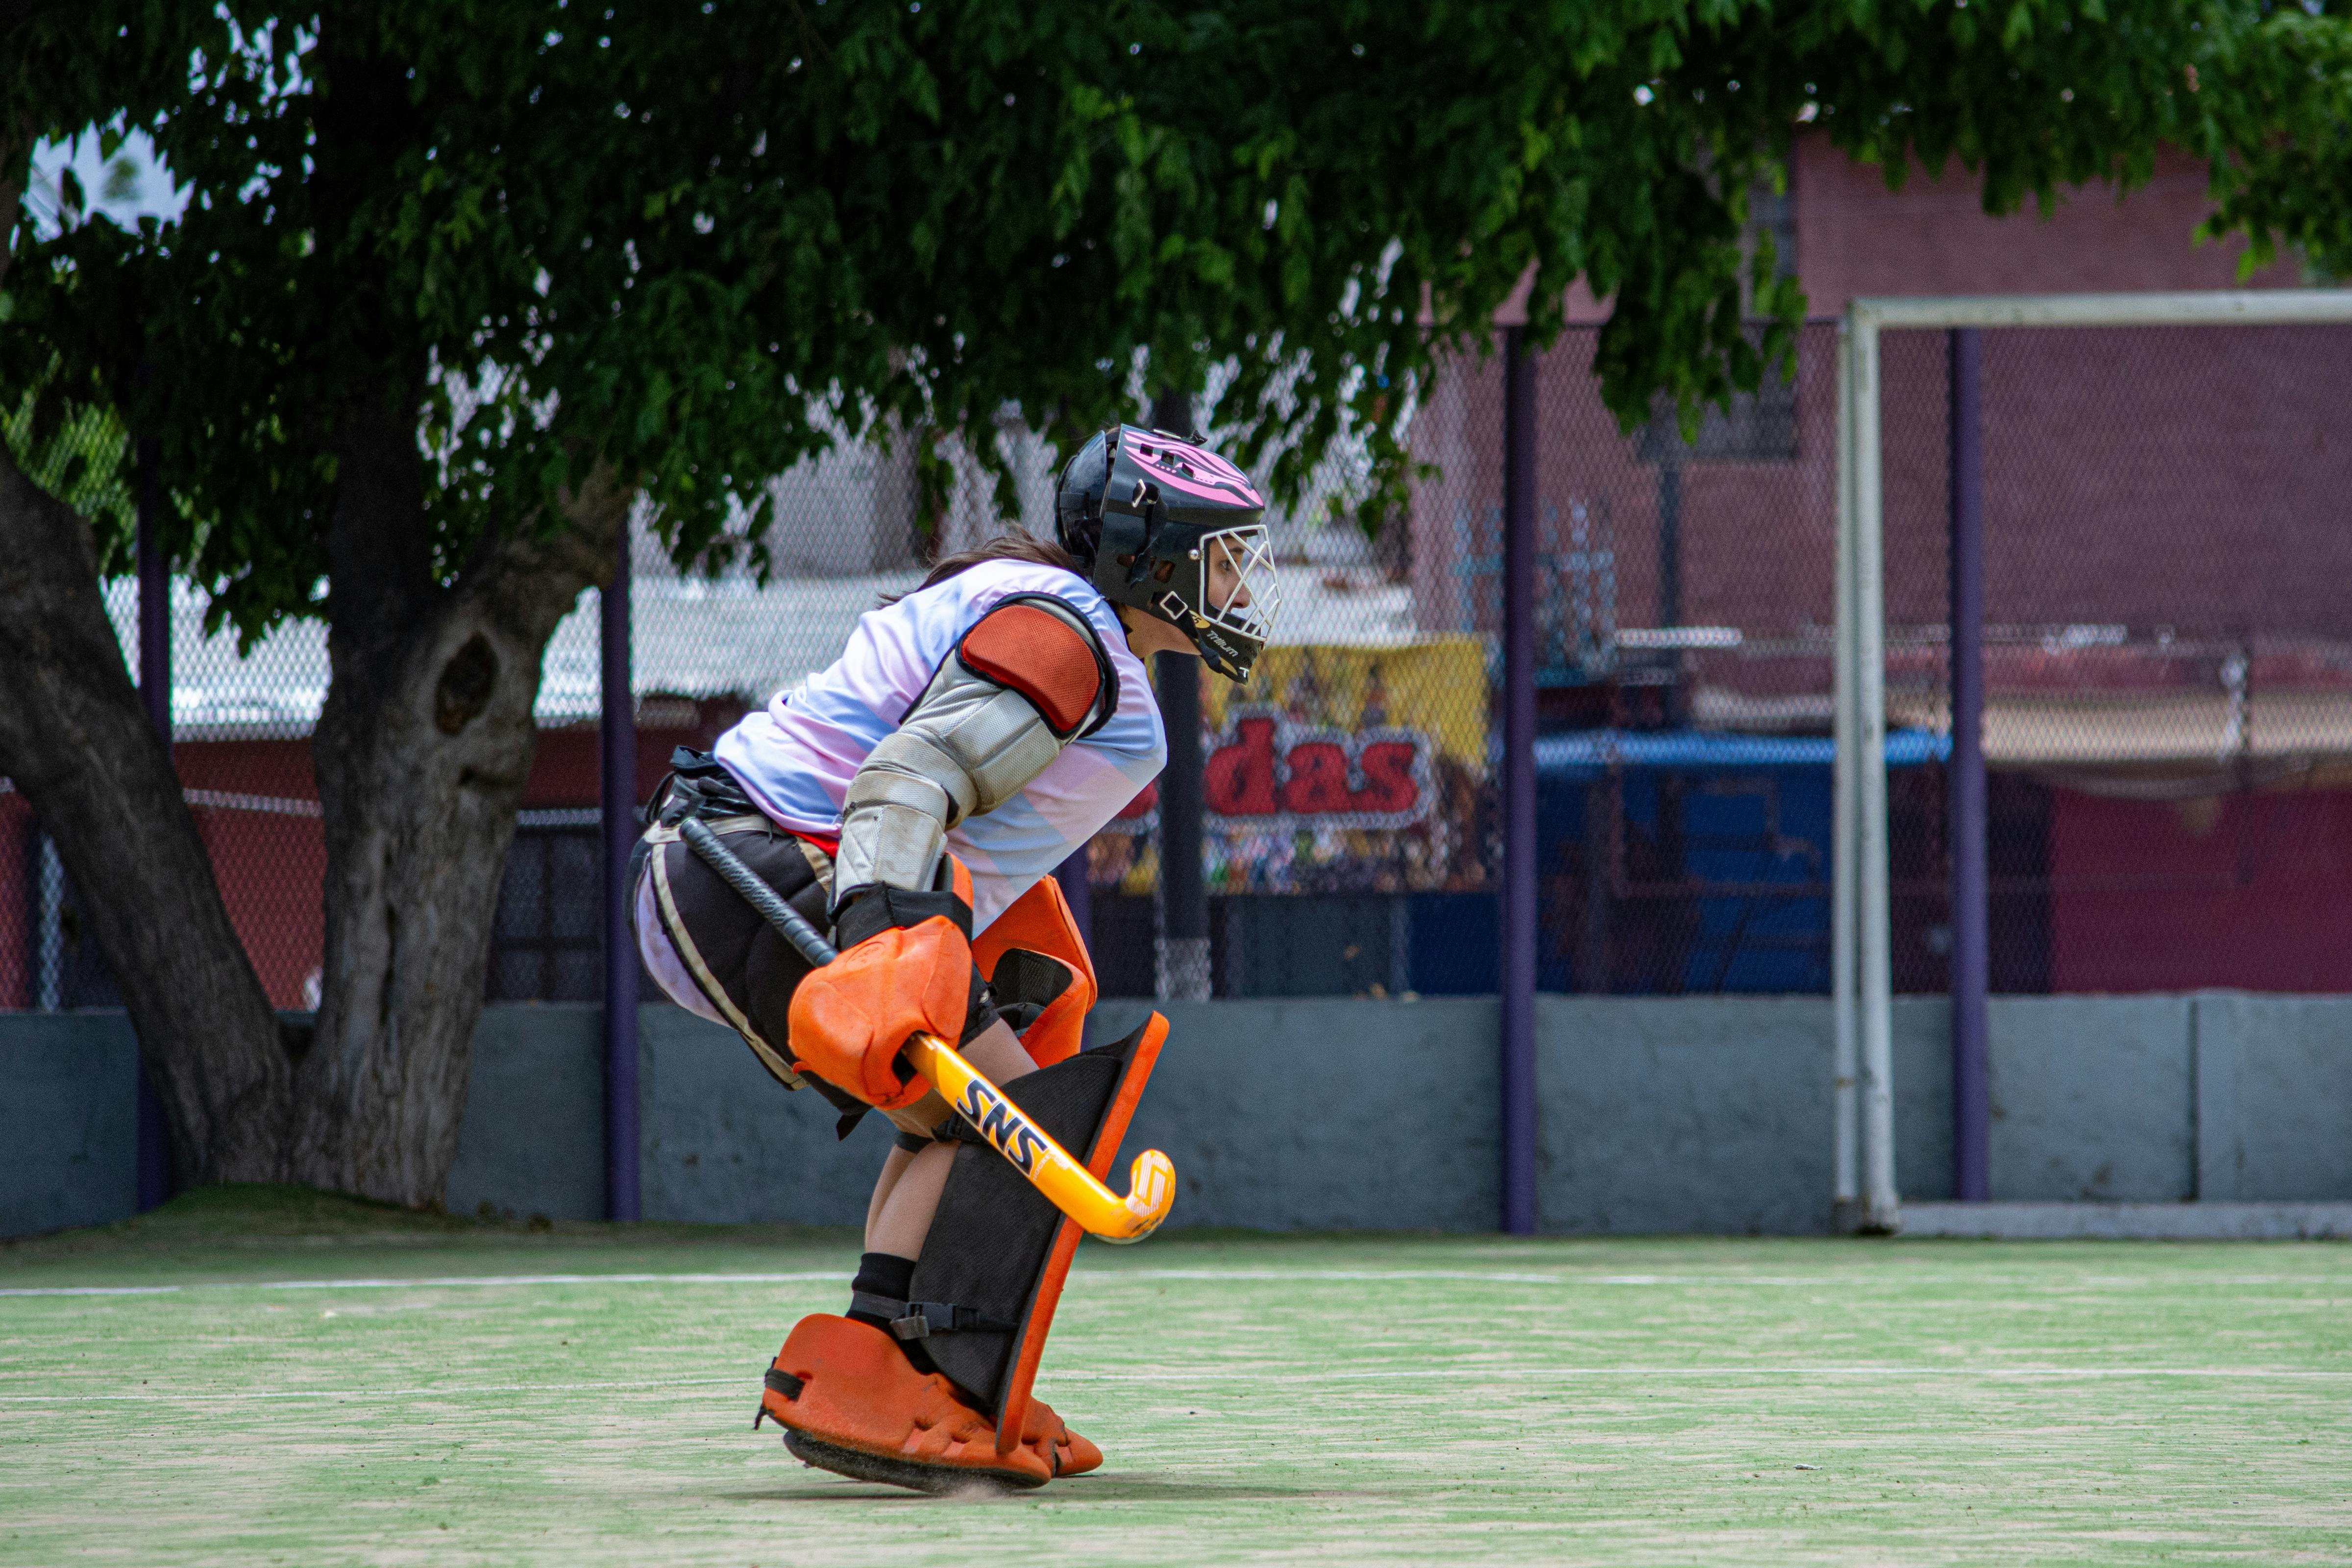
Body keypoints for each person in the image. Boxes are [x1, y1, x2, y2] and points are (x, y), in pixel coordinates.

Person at [630, 423, 1279, 1491]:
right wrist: (890, 939)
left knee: (987, 1116)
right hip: (753, 863)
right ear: (1147, 551)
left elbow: (974, 831)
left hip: (731, 859)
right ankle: (895, 1366)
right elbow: (914, 776)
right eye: (1221, 558)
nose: (1241, 586)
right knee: (1010, 1130)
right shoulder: (1071, 637)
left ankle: (912, 1364)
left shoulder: (1052, 614)